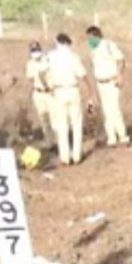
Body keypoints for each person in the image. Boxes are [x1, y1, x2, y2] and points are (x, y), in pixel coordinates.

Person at [41, 33, 94, 165]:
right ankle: (76, 156)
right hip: (73, 89)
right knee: (76, 123)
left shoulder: (50, 56)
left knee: (61, 124)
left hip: (58, 91)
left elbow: (41, 72)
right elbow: (83, 75)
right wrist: (90, 91)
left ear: (57, 42)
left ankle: (65, 157)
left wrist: (48, 86)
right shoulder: (73, 57)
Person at [85, 25, 128, 147]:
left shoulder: (109, 45)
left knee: (114, 108)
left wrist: (120, 75)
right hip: (101, 83)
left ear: (95, 36)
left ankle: (123, 136)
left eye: (90, 37)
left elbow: (121, 60)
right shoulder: (93, 50)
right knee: (107, 110)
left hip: (112, 81)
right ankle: (112, 137)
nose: (88, 41)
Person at [24, 41, 54, 145]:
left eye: (36, 50)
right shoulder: (30, 64)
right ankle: (50, 142)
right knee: (44, 119)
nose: (35, 52)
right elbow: (30, 79)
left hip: (49, 92)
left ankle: (59, 141)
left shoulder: (47, 61)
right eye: (33, 51)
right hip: (38, 93)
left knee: (54, 117)